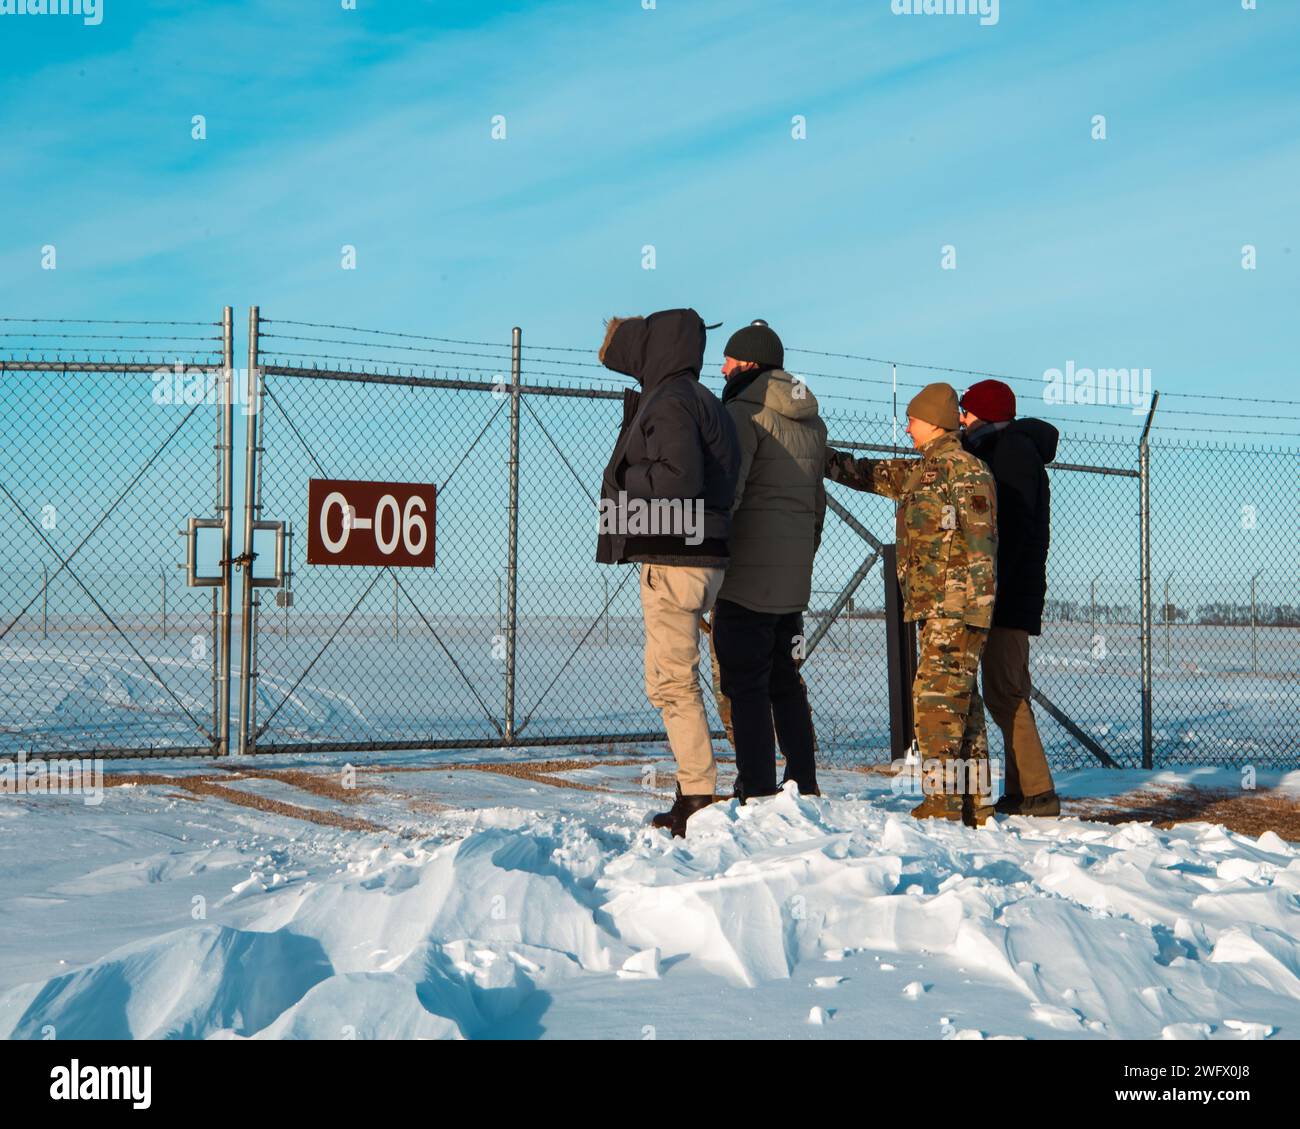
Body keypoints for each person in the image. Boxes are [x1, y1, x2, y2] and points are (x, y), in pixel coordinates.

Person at [824, 383, 998, 826]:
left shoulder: (967, 472)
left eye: (912, 420)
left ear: (935, 421)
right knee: (962, 702)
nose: (907, 428)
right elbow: (864, 472)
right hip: (935, 605)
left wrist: (975, 607)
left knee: (935, 698)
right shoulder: (922, 471)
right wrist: (813, 452)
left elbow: (982, 543)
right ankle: (976, 803)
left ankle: (941, 804)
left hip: (957, 607)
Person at [597, 308, 739, 837]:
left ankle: (697, 796)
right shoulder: (701, 399)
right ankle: (697, 787)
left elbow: (678, 480)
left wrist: (624, 475)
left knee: (673, 683)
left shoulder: (672, 401)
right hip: (704, 555)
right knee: (673, 680)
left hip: (675, 558)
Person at [708, 320, 826, 802]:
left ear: (749, 364)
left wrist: (711, 553)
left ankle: (755, 786)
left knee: (744, 683)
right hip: (792, 580)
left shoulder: (744, 413)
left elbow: (728, 491)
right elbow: (816, 505)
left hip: (745, 578)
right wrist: (800, 558)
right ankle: (803, 780)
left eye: (729, 359)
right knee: (786, 681)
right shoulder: (812, 421)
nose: (722, 367)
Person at [959, 379, 1061, 816]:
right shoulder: (1003, 450)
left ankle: (1038, 794)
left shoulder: (1012, 453)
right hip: (1007, 593)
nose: (959, 419)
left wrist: (992, 587)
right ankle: (1023, 791)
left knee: (1006, 692)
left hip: (1007, 596)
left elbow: (1014, 531)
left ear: (983, 413)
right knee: (1009, 691)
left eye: (965, 411)